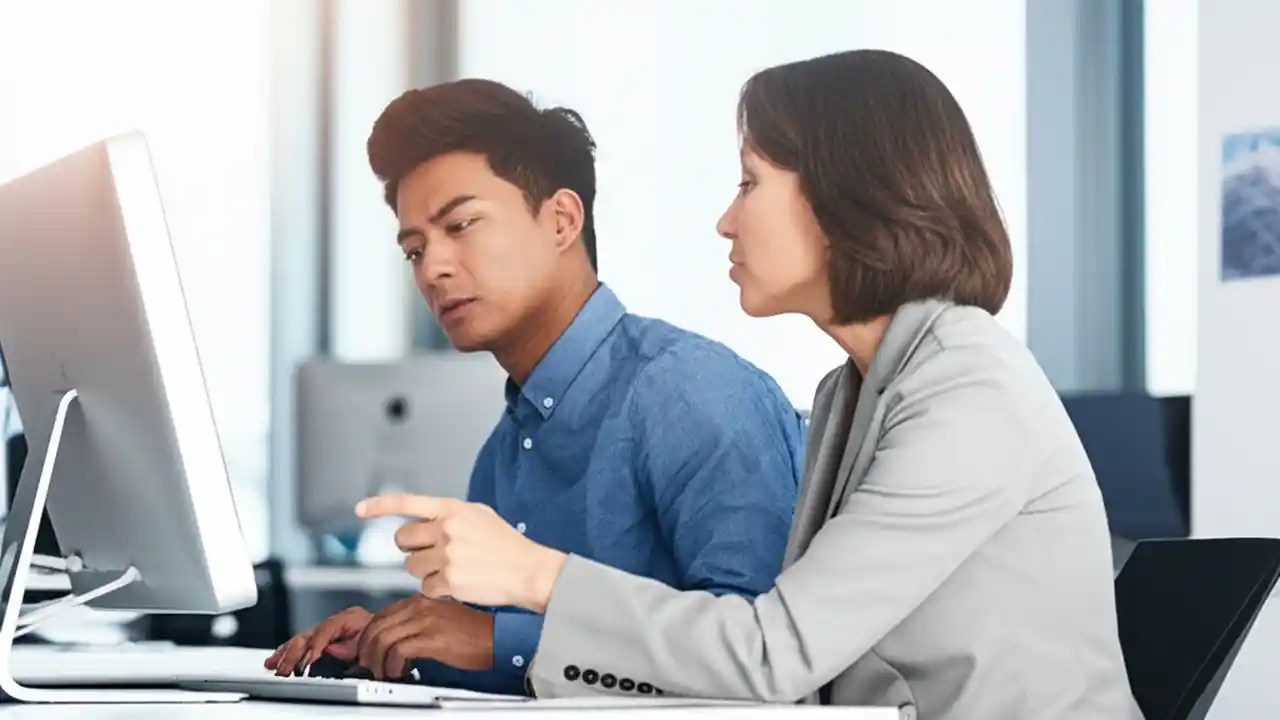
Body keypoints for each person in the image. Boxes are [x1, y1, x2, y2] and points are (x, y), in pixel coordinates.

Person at [358, 51, 1145, 718]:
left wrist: (534, 578)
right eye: (413, 248)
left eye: (750, 183)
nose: (726, 222)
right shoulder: (856, 389)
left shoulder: (970, 389)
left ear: (846, 194)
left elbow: (774, 656)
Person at [264, 79, 806, 696]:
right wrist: (400, 643)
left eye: (461, 225)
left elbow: (764, 670)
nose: (434, 267)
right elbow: (515, 673)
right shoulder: (505, 450)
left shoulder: (692, 393)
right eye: (414, 250)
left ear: (561, 220)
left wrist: (498, 641)